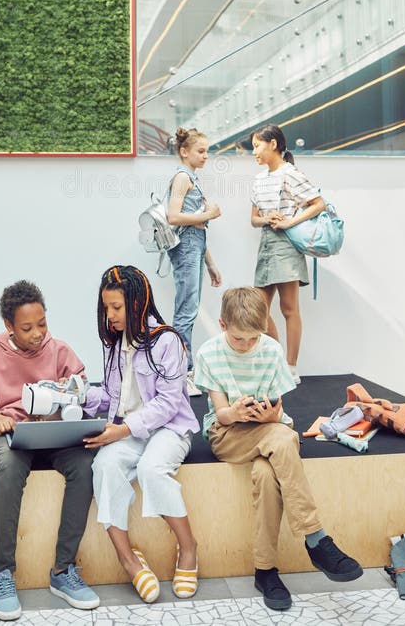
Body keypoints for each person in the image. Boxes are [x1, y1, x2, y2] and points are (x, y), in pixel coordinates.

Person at [194, 287, 363, 611]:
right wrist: (236, 412)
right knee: (285, 438)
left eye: (252, 339)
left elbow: (278, 406)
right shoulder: (209, 354)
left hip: (269, 429)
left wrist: (269, 414)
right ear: (222, 325)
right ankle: (316, 539)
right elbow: (221, 412)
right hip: (228, 433)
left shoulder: (270, 349)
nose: (246, 345)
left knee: (266, 474)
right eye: (238, 339)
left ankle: (265, 571)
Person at [0, 280, 99, 620]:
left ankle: (63, 571)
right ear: (8, 326)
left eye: (42, 324)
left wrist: (75, 392)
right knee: (7, 471)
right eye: (27, 327)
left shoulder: (61, 351)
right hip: (12, 433)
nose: (37, 334)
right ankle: (2, 573)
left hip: (55, 432)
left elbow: (86, 393)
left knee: (85, 467)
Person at [83, 265, 200, 603]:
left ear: (137, 303)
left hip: (169, 429)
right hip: (128, 429)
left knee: (151, 468)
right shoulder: (114, 342)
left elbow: (168, 403)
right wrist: (77, 396)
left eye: (116, 307)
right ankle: (129, 560)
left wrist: (122, 430)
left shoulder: (167, 341)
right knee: (104, 467)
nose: (110, 315)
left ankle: (189, 548)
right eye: (106, 308)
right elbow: (111, 396)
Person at [250, 123, 325, 383]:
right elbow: (253, 219)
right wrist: (266, 217)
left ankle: (291, 367)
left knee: (289, 308)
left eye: (257, 146)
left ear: (273, 144)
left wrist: (289, 222)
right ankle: (277, 359)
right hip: (266, 244)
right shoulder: (259, 180)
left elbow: (318, 204)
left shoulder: (290, 173)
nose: (254, 152)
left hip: (286, 244)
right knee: (256, 309)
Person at [166, 126, 222, 396]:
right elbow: (173, 217)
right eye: (201, 151)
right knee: (185, 312)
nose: (206, 156)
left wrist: (210, 263)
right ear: (184, 151)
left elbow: (197, 227)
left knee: (188, 309)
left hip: (194, 247)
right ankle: (182, 373)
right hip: (187, 247)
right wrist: (208, 214)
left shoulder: (191, 178)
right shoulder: (182, 178)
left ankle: (183, 371)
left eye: (207, 151)